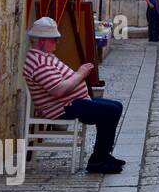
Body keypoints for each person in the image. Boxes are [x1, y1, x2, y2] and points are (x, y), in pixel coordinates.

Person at [23, 17, 126, 174]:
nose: (57, 43)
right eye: (54, 40)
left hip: (71, 101)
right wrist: (80, 74)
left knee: (116, 106)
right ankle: (98, 161)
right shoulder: (39, 63)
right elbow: (58, 90)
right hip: (62, 107)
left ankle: (103, 155)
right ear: (42, 40)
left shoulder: (45, 56)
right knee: (110, 112)